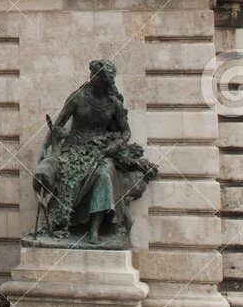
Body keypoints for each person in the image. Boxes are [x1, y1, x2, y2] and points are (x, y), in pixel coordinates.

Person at [33, 59, 154, 245]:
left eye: (105, 80)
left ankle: (94, 230)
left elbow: (125, 131)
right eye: (98, 78)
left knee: (104, 173)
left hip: (101, 151)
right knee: (67, 174)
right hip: (73, 149)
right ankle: (61, 220)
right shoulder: (78, 97)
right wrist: (52, 140)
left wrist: (115, 145)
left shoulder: (113, 103)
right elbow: (58, 125)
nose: (96, 81)